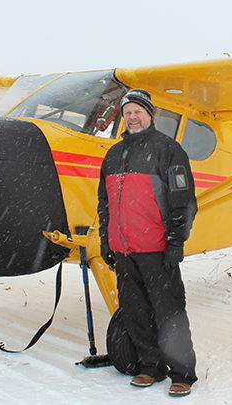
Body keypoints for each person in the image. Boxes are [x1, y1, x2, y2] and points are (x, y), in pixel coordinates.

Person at [97, 88, 198, 397]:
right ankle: (150, 367)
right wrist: (106, 240)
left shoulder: (168, 150)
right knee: (135, 311)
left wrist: (176, 242)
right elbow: (105, 203)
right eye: (127, 112)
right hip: (123, 249)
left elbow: (183, 200)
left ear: (150, 115)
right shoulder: (113, 154)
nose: (132, 117)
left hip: (157, 248)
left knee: (168, 312)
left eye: (138, 111)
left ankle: (182, 373)